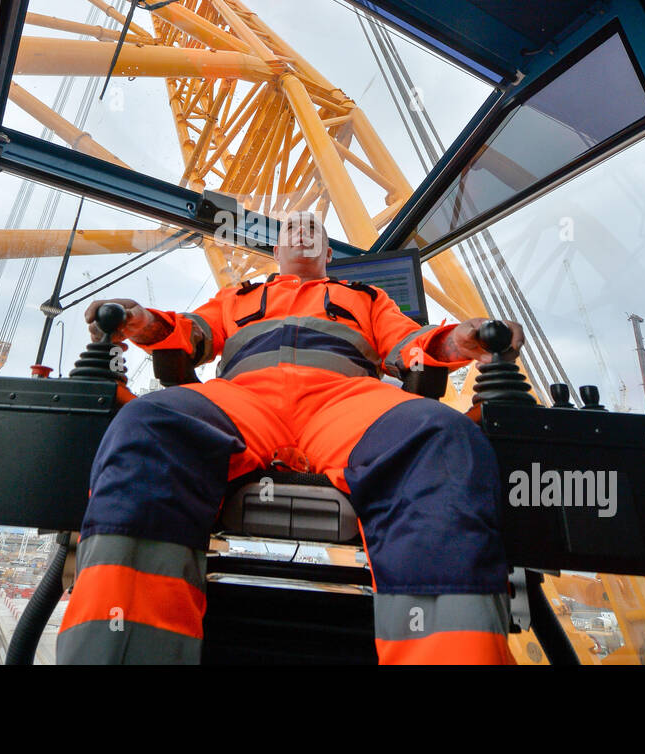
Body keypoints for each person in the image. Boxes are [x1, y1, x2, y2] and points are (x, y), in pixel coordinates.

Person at [56, 211, 524, 664]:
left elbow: (408, 347)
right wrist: (143, 323)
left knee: (440, 436)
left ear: (328, 251)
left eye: (314, 229)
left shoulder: (369, 298)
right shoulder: (235, 295)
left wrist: (455, 342)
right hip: (244, 398)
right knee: (149, 423)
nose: (303, 232)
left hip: (345, 399)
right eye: (293, 229)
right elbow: (188, 334)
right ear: (276, 248)